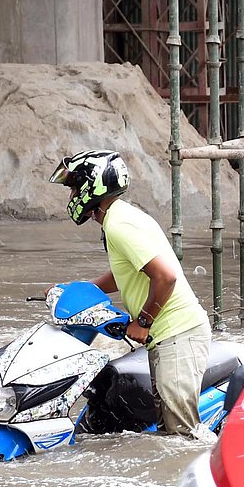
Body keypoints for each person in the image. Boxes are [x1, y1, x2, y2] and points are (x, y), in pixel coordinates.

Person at [48, 149, 212, 437]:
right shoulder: (120, 218)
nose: (72, 195)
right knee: (168, 434)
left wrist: (144, 321)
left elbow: (166, 276)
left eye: (74, 187)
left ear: (92, 186)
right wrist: (82, 289)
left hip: (177, 333)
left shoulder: (119, 224)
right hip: (169, 335)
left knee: (181, 437)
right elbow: (126, 274)